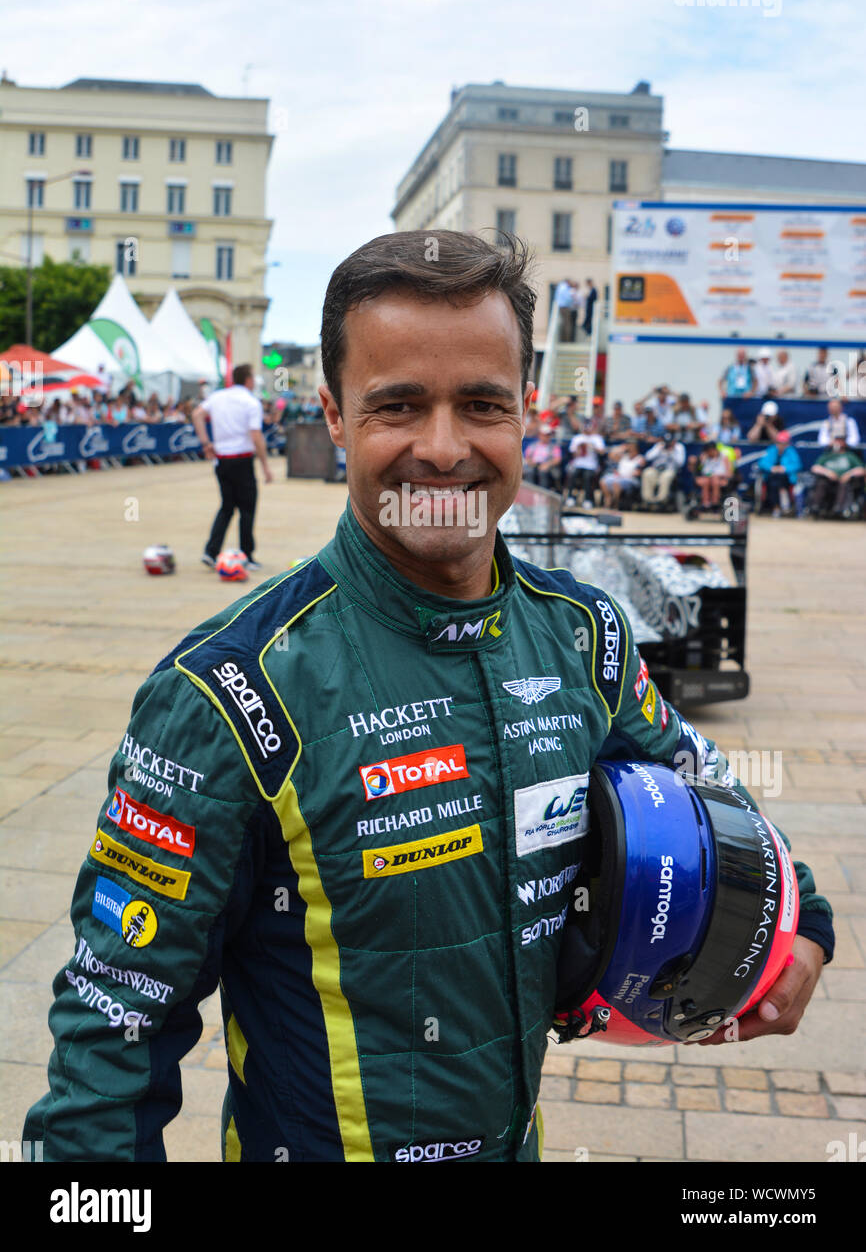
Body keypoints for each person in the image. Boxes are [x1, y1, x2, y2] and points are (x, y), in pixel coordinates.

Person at [23, 230, 833, 1164]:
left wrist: (801, 923)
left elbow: (713, 795)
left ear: (528, 412)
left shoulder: (586, 637)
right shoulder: (227, 691)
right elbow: (107, 1045)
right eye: (398, 406)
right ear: (331, 415)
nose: (443, 450)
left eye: (481, 404)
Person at [193, 363, 273, 572]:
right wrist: (265, 465)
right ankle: (246, 554)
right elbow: (256, 435)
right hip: (242, 459)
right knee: (247, 508)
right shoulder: (251, 402)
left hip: (221, 459)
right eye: (253, 377)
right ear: (247, 380)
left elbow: (197, 415)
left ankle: (211, 551)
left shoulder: (218, 396)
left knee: (227, 506)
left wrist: (205, 442)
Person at [808, 438, 866, 518]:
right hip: (829, 480)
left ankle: (838, 509)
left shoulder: (850, 456)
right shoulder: (827, 455)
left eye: (840, 441)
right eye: (836, 440)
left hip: (844, 481)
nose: (837, 443)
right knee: (821, 484)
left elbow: (862, 469)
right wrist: (828, 473)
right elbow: (815, 467)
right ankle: (815, 508)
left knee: (843, 485)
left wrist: (849, 474)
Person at [757, 430, 801, 516]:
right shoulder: (771, 450)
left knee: (778, 480)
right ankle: (777, 506)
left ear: (788, 443)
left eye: (784, 443)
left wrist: (784, 468)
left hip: (786, 479)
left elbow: (797, 465)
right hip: (771, 477)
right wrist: (772, 468)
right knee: (774, 481)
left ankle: (779, 505)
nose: (781, 445)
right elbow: (762, 463)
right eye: (780, 442)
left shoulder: (791, 451)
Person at [640, 432, 685, 509]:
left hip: (670, 470)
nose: (667, 444)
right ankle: (648, 500)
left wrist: (671, 452)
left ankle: (660, 500)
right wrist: (658, 449)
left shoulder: (679, 447)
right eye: (666, 442)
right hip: (656, 469)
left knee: (666, 476)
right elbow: (648, 457)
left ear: (673, 441)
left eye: (669, 442)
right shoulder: (659, 445)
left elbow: (680, 463)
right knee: (647, 472)